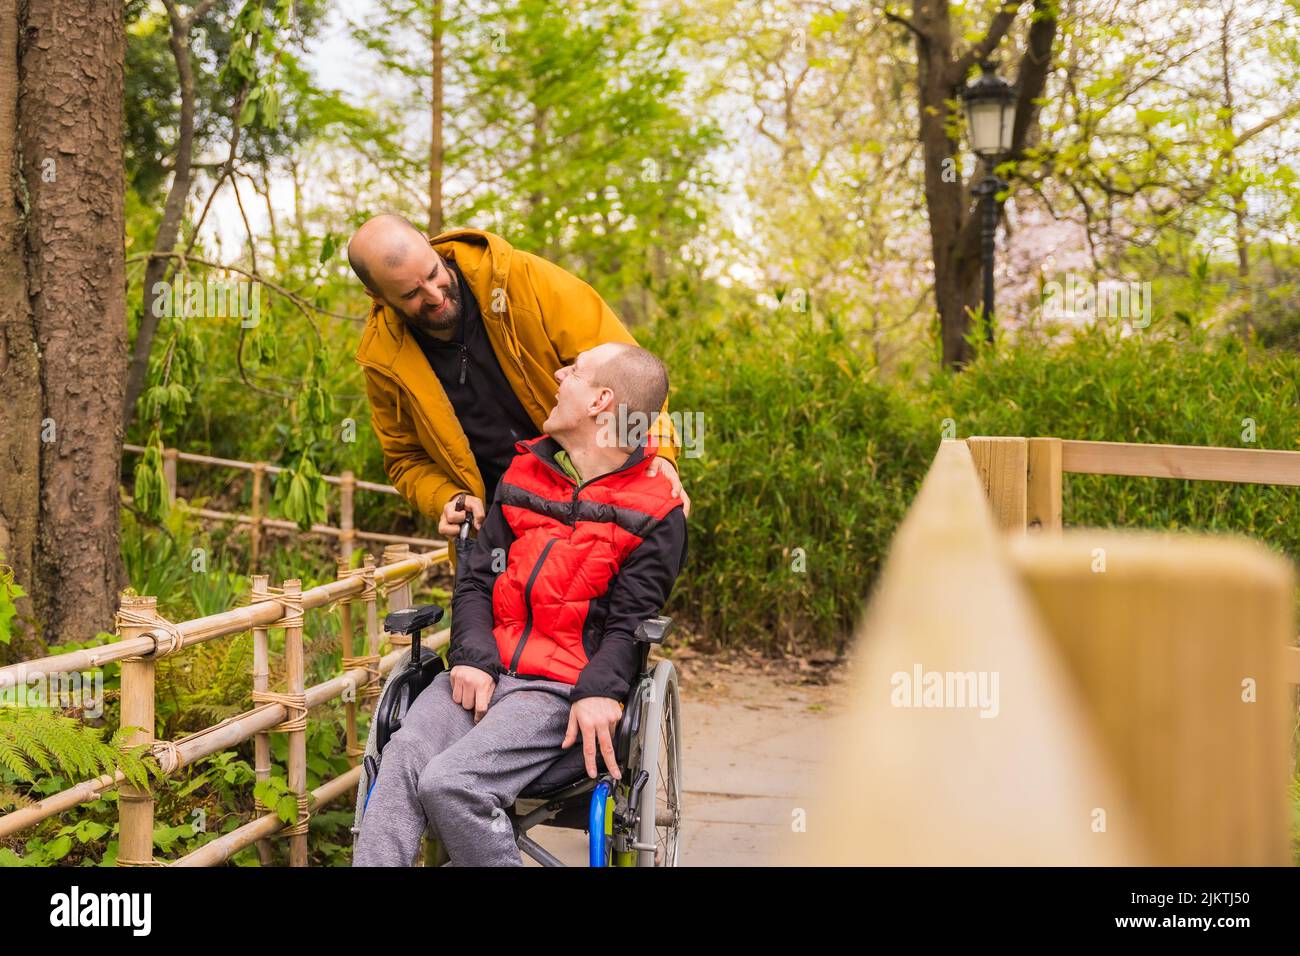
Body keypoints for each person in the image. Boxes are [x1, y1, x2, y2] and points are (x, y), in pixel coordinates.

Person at [352, 343, 688, 867]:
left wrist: (601, 690)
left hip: (558, 693)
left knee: (450, 783)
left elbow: (630, 623)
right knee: (401, 762)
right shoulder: (524, 474)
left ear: (602, 401)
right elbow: (476, 583)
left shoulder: (656, 510)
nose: (558, 373)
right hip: (484, 671)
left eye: (573, 370)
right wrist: (471, 657)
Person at [346, 215, 688, 547]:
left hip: (595, 512)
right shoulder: (382, 359)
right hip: (499, 538)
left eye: (433, 274)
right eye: (411, 294)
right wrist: (447, 497)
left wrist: (659, 455)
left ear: (427, 240)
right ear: (376, 296)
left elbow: (630, 373)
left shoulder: (521, 279)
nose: (435, 295)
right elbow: (406, 458)